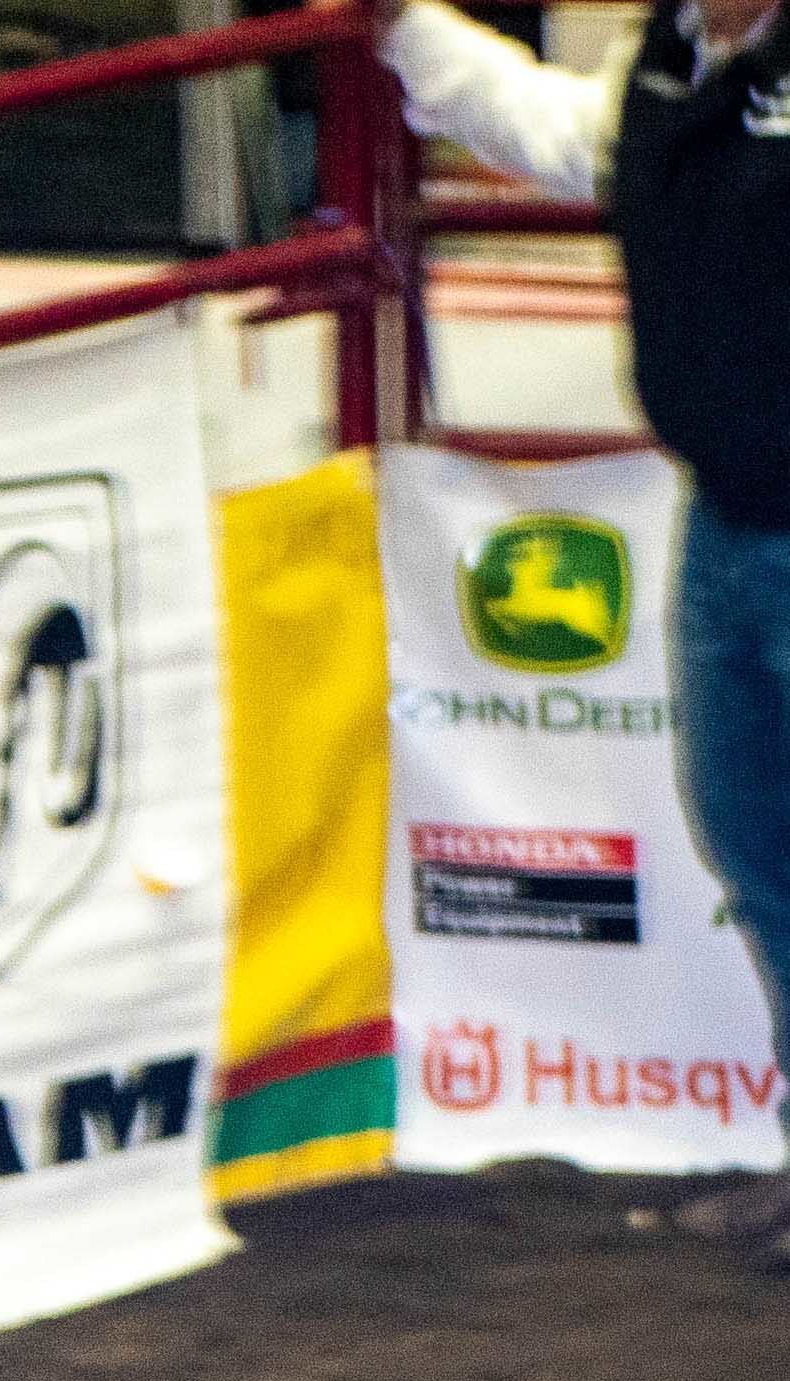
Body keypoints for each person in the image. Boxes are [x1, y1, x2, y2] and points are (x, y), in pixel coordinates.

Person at [397, 0, 790, 1253]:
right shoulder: (666, 67)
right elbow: (561, 132)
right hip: (729, 516)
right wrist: (403, 27)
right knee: (757, 847)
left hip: (752, 513)